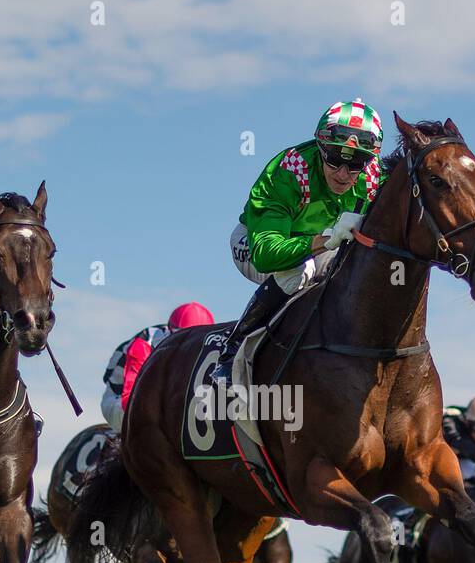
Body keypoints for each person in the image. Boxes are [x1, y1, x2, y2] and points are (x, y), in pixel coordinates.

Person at [213, 98, 386, 383]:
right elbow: (266, 254)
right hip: (254, 244)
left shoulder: (376, 176)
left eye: (357, 162)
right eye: (334, 157)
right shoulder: (288, 171)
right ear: (320, 147)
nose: (343, 173)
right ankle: (233, 350)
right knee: (299, 272)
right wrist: (327, 239)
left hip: (319, 248)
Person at [100, 302, 215, 432]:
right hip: (119, 401)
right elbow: (131, 399)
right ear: (171, 332)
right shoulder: (143, 345)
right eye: (185, 340)